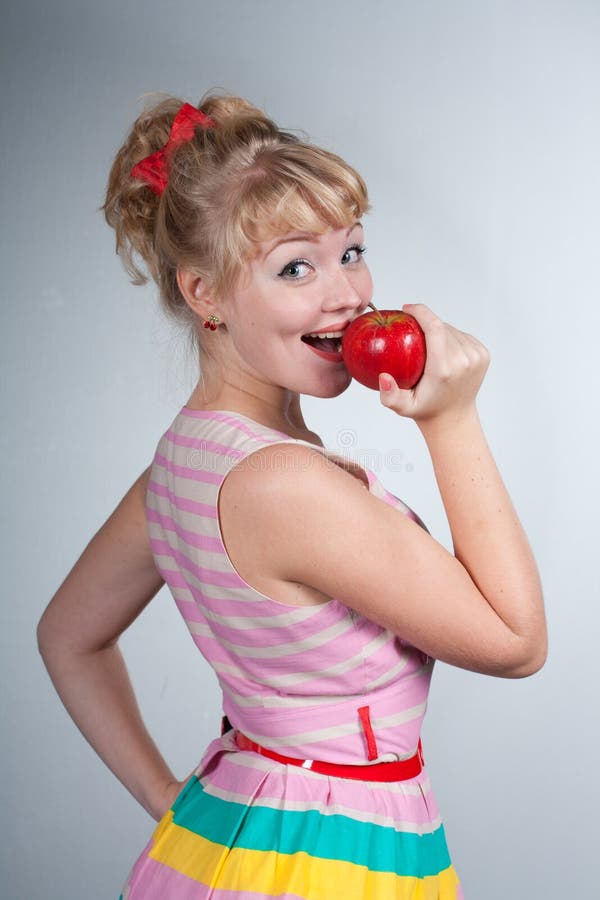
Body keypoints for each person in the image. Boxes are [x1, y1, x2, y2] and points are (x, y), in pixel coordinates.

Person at [37, 92, 547, 900]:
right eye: (295, 267)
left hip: (234, 838)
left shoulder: (183, 463)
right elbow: (516, 642)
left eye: (351, 251)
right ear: (204, 294)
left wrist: (170, 803)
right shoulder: (283, 485)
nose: (346, 295)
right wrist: (452, 421)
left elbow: (67, 635)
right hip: (320, 866)